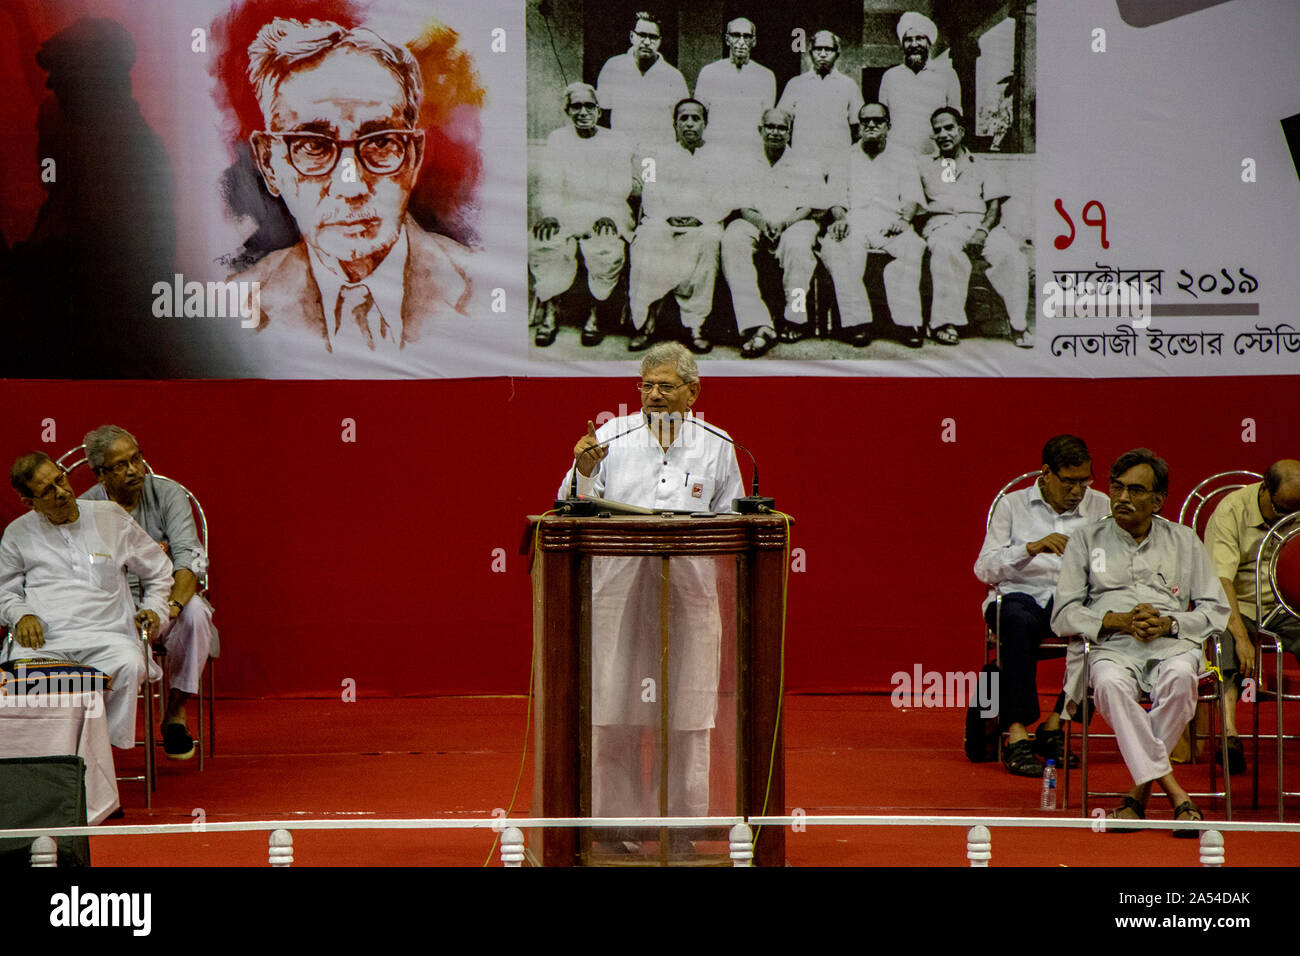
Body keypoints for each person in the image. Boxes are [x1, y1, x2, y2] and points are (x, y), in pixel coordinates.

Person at [558, 342, 745, 840]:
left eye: (665, 386)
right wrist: (586, 469)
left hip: (692, 597)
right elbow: (569, 504)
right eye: (646, 386)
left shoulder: (718, 444)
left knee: (688, 714)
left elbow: (736, 522)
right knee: (611, 707)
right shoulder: (610, 437)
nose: (653, 396)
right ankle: (612, 825)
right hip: (618, 597)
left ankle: (681, 829)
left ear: (693, 391)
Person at [231, 18, 473, 359]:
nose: (352, 186)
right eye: (313, 146)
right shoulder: (236, 303)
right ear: (270, 164)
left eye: (382, 142)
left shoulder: (483, 286)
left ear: (413, 158)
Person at [1052, 449, 1230, 833]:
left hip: (1172, 645)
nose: (1122, 498)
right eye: (1116, 487)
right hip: (1112, 645)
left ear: (1158, 500)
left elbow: (1216, 610)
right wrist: (1114, 619)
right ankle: (1176, 794)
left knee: (1182, 681)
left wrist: (1169, 623)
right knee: (1112, 685)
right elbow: (1063, 614)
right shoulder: (1085, 540)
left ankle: (1137, 796)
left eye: (1135, 490)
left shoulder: (1183, 540)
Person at [0, 452, 171, 751]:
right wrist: (21, 615)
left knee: (130, 664)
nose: (63, 492)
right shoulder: (17, 533)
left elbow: (159, 570)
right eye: (48, 491)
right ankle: (52, 759)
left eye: (60, 479)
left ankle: (98, 754)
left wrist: (155, 609)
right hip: (47, 643)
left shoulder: (110, 516)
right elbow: (5, 590)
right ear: (30, 503)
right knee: (16, 679)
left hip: (109, 638)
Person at [974, 435, 1110, 776]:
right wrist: (1030, 549)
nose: (1079, 490)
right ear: (1046, 472)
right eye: (1070, 481)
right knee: (1016, 624)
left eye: (1085, 481)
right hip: (1021, 595)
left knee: (1102, 629)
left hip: (1074, 598)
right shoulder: (1012, 505)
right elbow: (983, 568)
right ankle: (1017, 734)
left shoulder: (1102, 507)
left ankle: (1055, 725)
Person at [79, 426, 218, 760]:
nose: (133, 470)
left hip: (166, 599)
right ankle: (97, 738)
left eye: (137, 459)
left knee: (197, 613)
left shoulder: (168, 495)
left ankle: (175, 713)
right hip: (110, 610)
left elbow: (190, 557)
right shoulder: (85, 507)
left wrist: (172, 606)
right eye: (121, 465)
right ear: (100, 474)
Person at [1201, 459, 1300, 773]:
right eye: (1283, 510)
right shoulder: (1231, 511)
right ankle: (1230, 736)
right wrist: (1243, 638)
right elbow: (1221, 582)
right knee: (1225, 643)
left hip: (1283, 605)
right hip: (1238, 603)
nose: (1289, 518)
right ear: (1265, 491)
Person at [530, 83, 638, 348]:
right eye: (576, 106)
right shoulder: (558, 138)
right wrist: (551, 214)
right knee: (545, 242)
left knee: (604, 246)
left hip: (609, 211)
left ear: (598, 111)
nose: (583, 112)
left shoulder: (616, 141)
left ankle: (595, 314)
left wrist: (606, 213)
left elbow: (621, 185)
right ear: (567, 111)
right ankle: (550, 312)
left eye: (588, 106)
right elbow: (550, 183)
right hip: (567, 210)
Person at [627, 99, 733, 355]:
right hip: (663, 221)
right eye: (683, 118)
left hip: (703, 223)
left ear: (704, 124)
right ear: (674, 124)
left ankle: (695, 326)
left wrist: (699, 217)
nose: (689, 124)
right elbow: (650, 196)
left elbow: (726, 197)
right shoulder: (656, 157)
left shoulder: (720, 157)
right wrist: (669, 218)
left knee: (709, 239)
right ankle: (647, 322)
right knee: (647, 238)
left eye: (695, 119)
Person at [918, 107, 1030, 348]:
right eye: (937, 130)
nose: (943, 134)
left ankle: (1019, 324)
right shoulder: (924, 165)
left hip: (980, 224)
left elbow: (994, 206)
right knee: (945, 250)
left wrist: (982, 231)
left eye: (949, 128)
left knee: (1011, 256)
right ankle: (945, 323)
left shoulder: (979, 164)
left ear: (961, 130)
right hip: (943, 224)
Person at [819, 102, 926, 347]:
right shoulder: (844, 156)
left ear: (889, 126)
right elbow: (836, 197)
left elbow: (911, 197)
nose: (870, 125)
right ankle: (858, 323)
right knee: (839, 248)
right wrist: (840, 219)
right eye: (865, 121)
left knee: (913, 247)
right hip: (854, 220)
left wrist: (904, 219)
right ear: (858, 127)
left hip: (891, 222)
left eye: (877, 121)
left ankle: (907, 323)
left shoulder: (903, 156)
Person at [720, 109, 823, 356]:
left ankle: (794, 318)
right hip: (756, 221)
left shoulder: (805, 161)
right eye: (770, 127)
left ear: (789, 132)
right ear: (760, 130)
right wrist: (761, 223)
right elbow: (743, 205)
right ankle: (758, 323)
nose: (775, 132)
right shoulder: (745, 161)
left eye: (782, 128)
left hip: (795, 221)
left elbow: (808, 205)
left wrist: (785, 224)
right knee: (733, 239)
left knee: (798, 249)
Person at [595, 12, 688, 157]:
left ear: (660, 41)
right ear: (632, 36)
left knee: (651, 179)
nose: (646, 42)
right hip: (621, 151)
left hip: (657, 153)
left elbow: (682, 120)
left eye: (653, 37)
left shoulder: (673, 76)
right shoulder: (613, 67)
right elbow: (602, 113)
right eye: (642, 35)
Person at [877, 12, 961, 156]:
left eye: (920, 38)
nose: (914, 44)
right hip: (897, 156)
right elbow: (882, 120)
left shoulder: (947, 74)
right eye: (908, 40)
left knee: (943, 179)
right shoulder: (890, 77)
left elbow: (956, 117)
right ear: (902, 44)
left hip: (937, 154)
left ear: (928, 43)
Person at [694, 18, 776, 154]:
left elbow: (766, 120)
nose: (741, 42)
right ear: (727, 40)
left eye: (747, 36)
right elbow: (699, 115)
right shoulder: (709, 72)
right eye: (736, 35)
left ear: (754, 41)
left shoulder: (765, 76)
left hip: (751, 149)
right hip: (716, 148)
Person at [776, 31, 864, 156]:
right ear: (811, 53)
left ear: (837, 53)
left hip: (838, 159)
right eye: (818, 49)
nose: (823, 54)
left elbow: (858, 128)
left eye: (828, 49)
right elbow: (781, 121)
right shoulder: (795, 84)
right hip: (803, 158)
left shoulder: (849, 85)